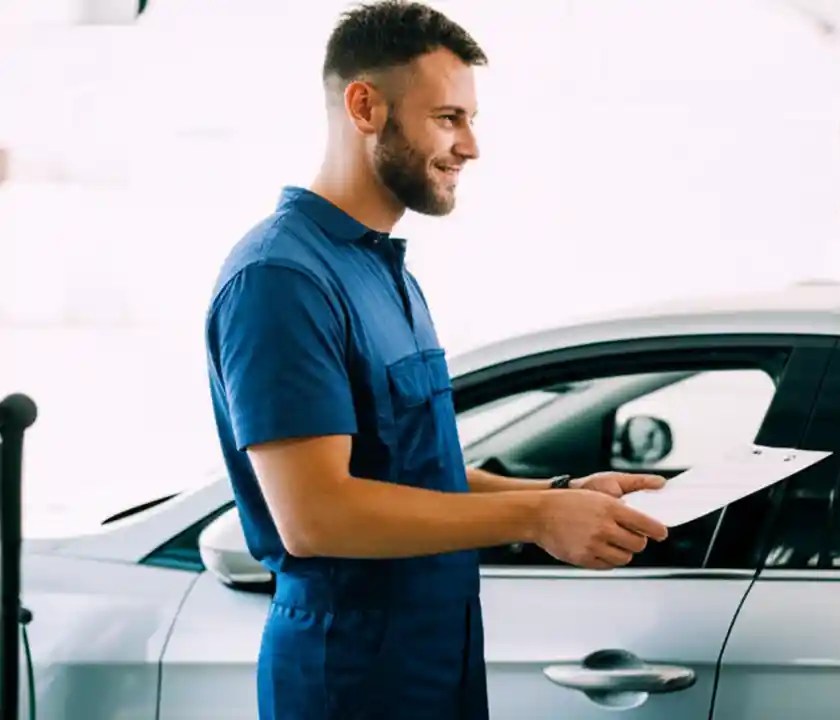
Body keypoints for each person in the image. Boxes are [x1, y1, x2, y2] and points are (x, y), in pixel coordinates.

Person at [203, 2, 669, 718]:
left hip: (433, 652)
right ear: (365, 106)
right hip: (349, 668)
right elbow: (317, 514)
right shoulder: (282, 279)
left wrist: (560, 490)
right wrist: (535, 518)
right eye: (449, 118)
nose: (471, 146)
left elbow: (410, 471)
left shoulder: (382, 271)